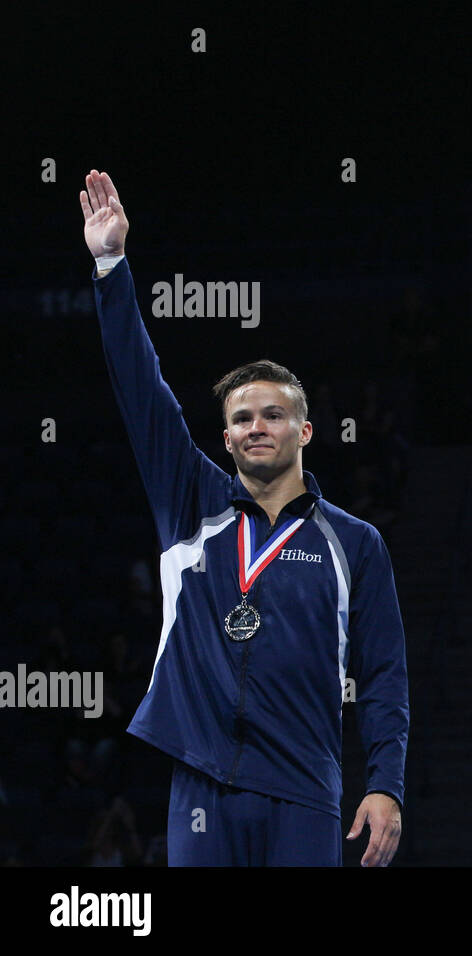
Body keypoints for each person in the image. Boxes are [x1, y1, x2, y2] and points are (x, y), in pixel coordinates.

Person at [81, 170, 409, 866]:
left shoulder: (355, 543)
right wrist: (112, 265)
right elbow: (141, 389)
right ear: (225, 439)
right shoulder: (188, 504)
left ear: (305, 431)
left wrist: (387, 784)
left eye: (272, 414)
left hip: (304, 786)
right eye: (240, 419)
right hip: (201, 779)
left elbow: (382, 673)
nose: (256, 427)